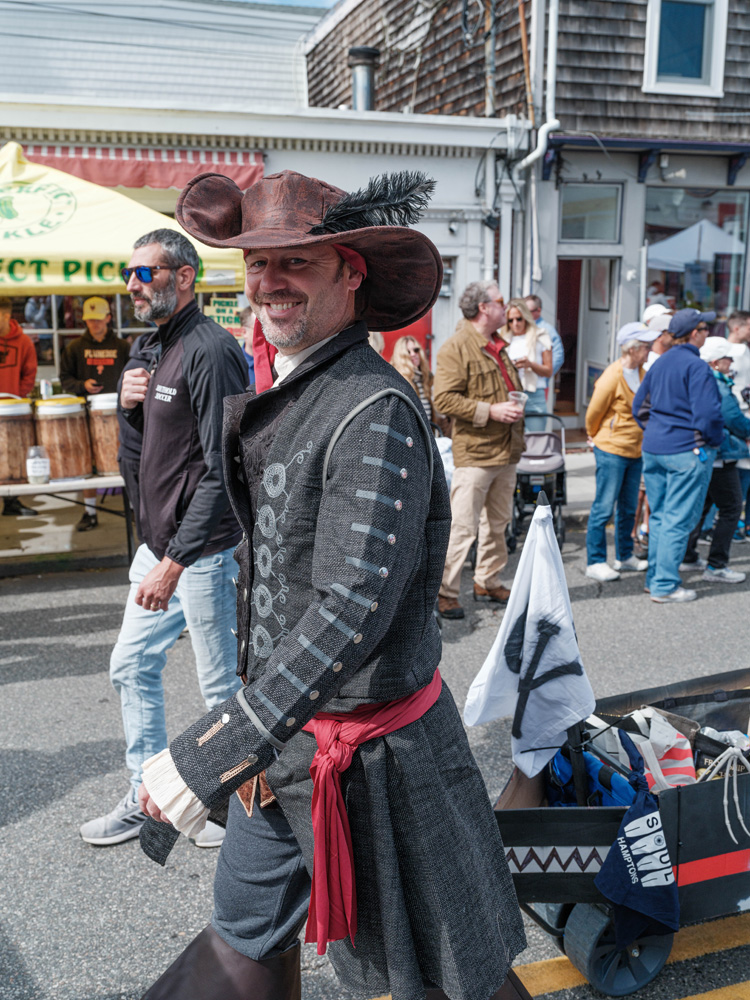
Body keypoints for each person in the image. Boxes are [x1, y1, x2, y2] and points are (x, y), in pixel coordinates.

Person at [136, 169, 528, 1000]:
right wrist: (244, 745)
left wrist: (212, 748)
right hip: (281, 749)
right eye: (258, 265)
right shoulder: (300, 382)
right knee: (244, 932)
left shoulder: (372, 408)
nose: (271, 283)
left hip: (375, 758)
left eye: (297, 265)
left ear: (351, 273)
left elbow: (351, 605)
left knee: (451, 973)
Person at [79, 229, 249, 849]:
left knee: (221, 689)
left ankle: (234, 816)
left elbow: (222, 467)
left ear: (184, 278)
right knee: (130, 666)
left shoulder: (213, 350)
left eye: (144, 274)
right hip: (161, 549)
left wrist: (174, 561)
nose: (132, 286)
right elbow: (144, 455)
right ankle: (149, 798)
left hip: (199, 555)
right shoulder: (148, 347)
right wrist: (126, 409)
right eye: (129, 275)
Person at [433, 281, 525, 620]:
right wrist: (492, 411)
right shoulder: (457, 347)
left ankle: (487, 581)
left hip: (506, 451)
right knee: (462, 526)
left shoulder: (497, 345)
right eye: (501, 302)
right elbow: (443, 399)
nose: (507, 308)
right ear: (484, 307)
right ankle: (445, 592)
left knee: (498, 523)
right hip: (476, 453)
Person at [633, 309, 723, 604]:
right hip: (685, 449)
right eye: (704, 327)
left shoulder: (660, 363)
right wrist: (709, 441)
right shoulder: (696, 366)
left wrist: (658, 430)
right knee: (676, 519)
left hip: (655, 448)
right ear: (694, 333)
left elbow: (639, 407)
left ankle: (655, 580)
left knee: (659, 517)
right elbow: (708, 415)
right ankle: (664, 585)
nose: (707, 332)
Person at [584, 322, 658, 582]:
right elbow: (593, 413)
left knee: (628, 507)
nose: (650, 350)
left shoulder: (642, 372)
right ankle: (595, 561)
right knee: (603, 508)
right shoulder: (612, 376)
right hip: (612, 449)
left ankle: (624, 555)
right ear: (633, 348)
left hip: (635, 449)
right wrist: (594, 436)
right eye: (646, 346)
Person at [680, 337, 750, 583]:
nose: (732, 362)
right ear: (716, 362)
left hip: (710, 454)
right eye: (728, 358)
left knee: (703, 506)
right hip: (721, 455)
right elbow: (732, 419)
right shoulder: (718, 384)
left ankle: (688, 556)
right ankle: (717, 565)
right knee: (731, 508)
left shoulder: (703, 378)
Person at [59, 296, 130, 530]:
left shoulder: (122, 347)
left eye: (98, 320)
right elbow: (65, 379)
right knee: (89, 464)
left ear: (108, 319)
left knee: (127, 459)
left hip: (122, 412)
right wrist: (83, 386)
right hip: (88, 414)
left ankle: (133, 508)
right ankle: (89, 512)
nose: (94, 324)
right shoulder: (75, 347)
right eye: (90, 320)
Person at [116, 329, 160, 543]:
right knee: (150, 529)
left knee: (150, 528)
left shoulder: (138, 360)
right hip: (139, 456)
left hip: (137, 454)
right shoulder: (141, 365)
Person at [0, 298, 39, 518]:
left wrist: (18, 396)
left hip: (12, 408)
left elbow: (29, 373)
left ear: (6, 316)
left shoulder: (23, 341)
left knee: (10, 454)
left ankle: (11, 502)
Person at [501, 298, 552, 415]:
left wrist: (530, 364)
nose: (515, 323)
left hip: (534, 394)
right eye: (510, 320)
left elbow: (549, 371)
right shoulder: (503, 339)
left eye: (519, 319)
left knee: (535, 433)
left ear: (526, 317)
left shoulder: (540, 335)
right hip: (511, 393)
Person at [524, 294, 563, 412]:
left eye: (529, 311)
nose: (525, 314)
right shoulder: (521, 327)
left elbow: (558, 356)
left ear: (538, 311)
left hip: (537, 386)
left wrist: (544, 374)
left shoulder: (547, 330)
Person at [389, 334, 434, 421]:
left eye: (416, 350)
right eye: (408, 352)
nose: (413, 354)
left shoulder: (425, 378)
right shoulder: (398, 382)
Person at [238, 305, 255, 385]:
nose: (266, 332)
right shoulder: (236, 364)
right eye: (259, 328)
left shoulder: (276, 361)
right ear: (244, 332)